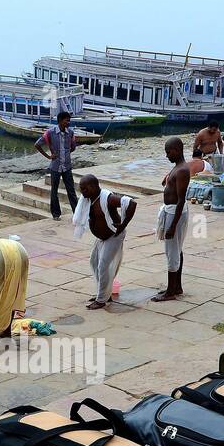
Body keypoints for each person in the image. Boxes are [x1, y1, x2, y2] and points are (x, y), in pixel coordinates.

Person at [74, 173, 136, 310]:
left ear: (94, 186)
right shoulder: (89, 198)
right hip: (101, 237)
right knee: (94, 262)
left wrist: (123, 224)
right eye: (81, 189)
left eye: (85, 189)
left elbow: (131, 203)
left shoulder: (108, 198)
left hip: (113, 235)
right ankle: (104, 293)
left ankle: (101, 300)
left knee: (103, 265)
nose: (82, 193)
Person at [154, 137, 190, 302]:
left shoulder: (182, 170)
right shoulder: (177, 168)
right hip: (171, 211)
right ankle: (177, 286)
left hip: (175, 212)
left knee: (172, 251)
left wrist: (172, 226)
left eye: (169, 152)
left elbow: (181, 200)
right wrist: (168, 177)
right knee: (177, 249)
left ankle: (171, 291)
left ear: (177, 150)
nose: (167, 155)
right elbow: (174, 178)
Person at [35, 111, 78, 221]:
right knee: (54, 191)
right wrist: (49, 156)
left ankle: (77, 214)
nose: (68, 122)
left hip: (67, 166)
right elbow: (37, 144)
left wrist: (66, 153)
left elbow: (73, 147)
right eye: (66, 120)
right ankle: (56, 214)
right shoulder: (50, 133)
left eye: (69, 120)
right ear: (60, 121)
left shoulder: (71, 133)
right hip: (55, 166)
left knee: (71, 191)